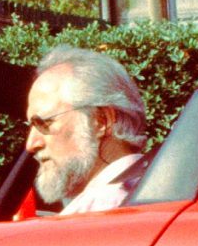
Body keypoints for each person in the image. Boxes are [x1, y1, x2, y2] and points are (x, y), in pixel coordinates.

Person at [25, 46, 149, 213]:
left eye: (44, 123)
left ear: (100, 121)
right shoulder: (159, 187)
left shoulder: (100, 210)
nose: (31, 144)